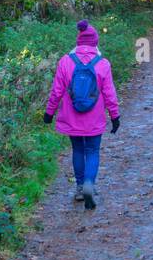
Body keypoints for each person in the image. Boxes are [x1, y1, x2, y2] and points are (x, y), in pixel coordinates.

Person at [44, 19, 120, 210]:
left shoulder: (65, 61)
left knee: (77, 150)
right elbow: (109, 93)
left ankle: (79, 188)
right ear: (95, 42)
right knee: (92, 151)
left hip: (72, 116)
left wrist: (49, 112)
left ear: (78, 41)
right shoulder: (103, 63)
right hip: (94, 118)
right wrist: (115, 116)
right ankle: (89, 184)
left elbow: (56, 91)